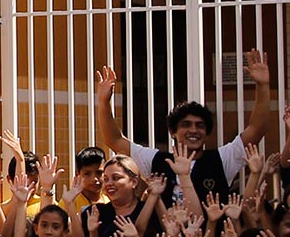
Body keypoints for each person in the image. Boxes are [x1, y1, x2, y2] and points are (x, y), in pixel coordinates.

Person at [94, 55, 273, 204]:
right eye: (186, 125)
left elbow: (257, 129)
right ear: (173, 132)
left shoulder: (222, 159)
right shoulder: (156, 161)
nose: (193, 130)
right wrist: (103, 102)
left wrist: (263, 86)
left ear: (207, 132)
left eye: (200, 125)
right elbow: (114, 140)